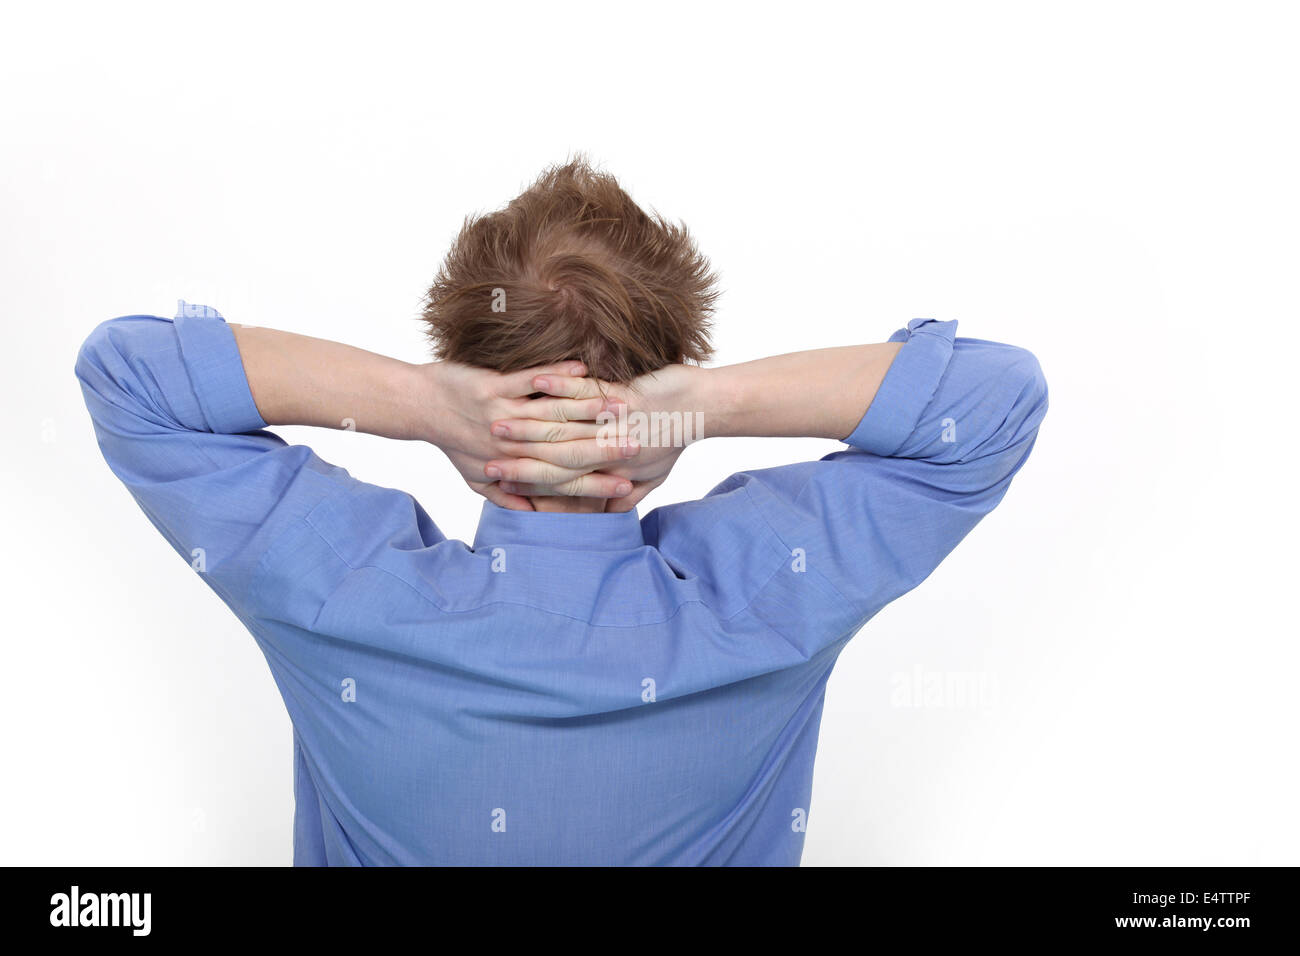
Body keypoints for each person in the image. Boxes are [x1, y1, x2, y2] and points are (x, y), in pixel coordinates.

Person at [75, 159, 1048, 865]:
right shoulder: (764, 597)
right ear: (665, 374)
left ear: (468, 370)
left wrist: (421, 403)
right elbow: (997, 400)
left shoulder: (344, 592)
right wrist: (703, 407)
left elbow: (128, 375)